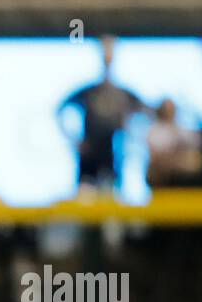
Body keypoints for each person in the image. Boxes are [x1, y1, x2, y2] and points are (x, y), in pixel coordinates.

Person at [57, 36, 148, 192]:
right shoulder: (89, 92)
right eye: (105, 50)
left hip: (113, 157)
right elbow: (60, 110)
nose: (108, 56)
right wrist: (74, 140)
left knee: (111, 199)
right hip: (89, 160)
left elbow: (147, 113)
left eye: (111, 50)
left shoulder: (124, 94)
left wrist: (134, 137)